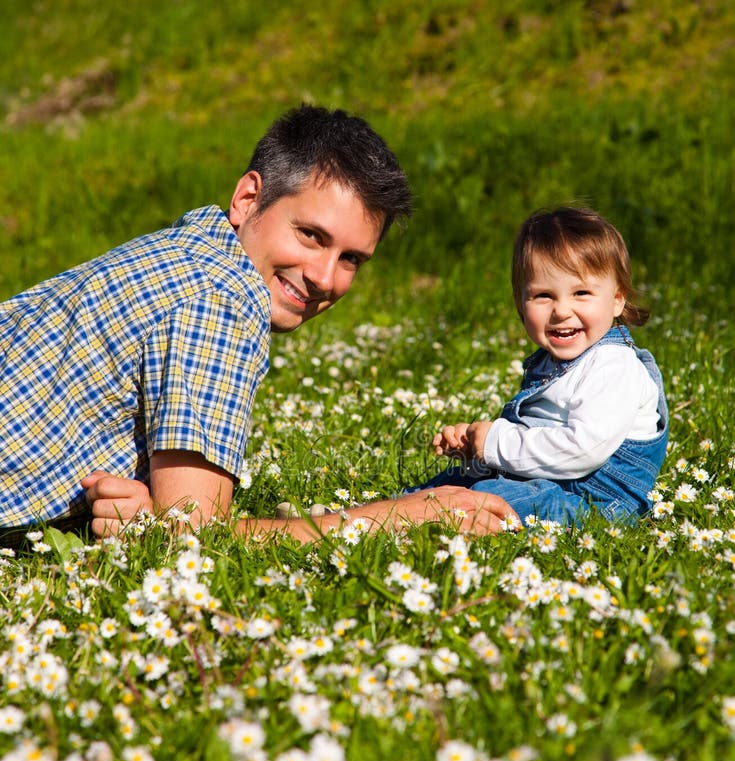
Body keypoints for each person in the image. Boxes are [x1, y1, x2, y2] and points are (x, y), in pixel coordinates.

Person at [0, 105, 514, 545]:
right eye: (311, 234)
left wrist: (148, 516)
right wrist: (397, 516)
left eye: (352, 258)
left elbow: (168, 522)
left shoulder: (194, 248)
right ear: (248, 199)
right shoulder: (222, 299)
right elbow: (195, 536)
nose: (324, 277)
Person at [423, 206, 668, 526]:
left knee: (483, 500)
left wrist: (497, 442)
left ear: (617, 299)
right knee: (448, 486)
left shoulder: (614, 367)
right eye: (543, 296)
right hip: (548, 482)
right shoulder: (552, 363)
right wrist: (475, 447)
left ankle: (421, 518)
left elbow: (582, 450)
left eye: (581, 293)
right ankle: (393, 509)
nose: (562, 310)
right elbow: (538, 437)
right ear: (520, 304)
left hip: (593, 501)